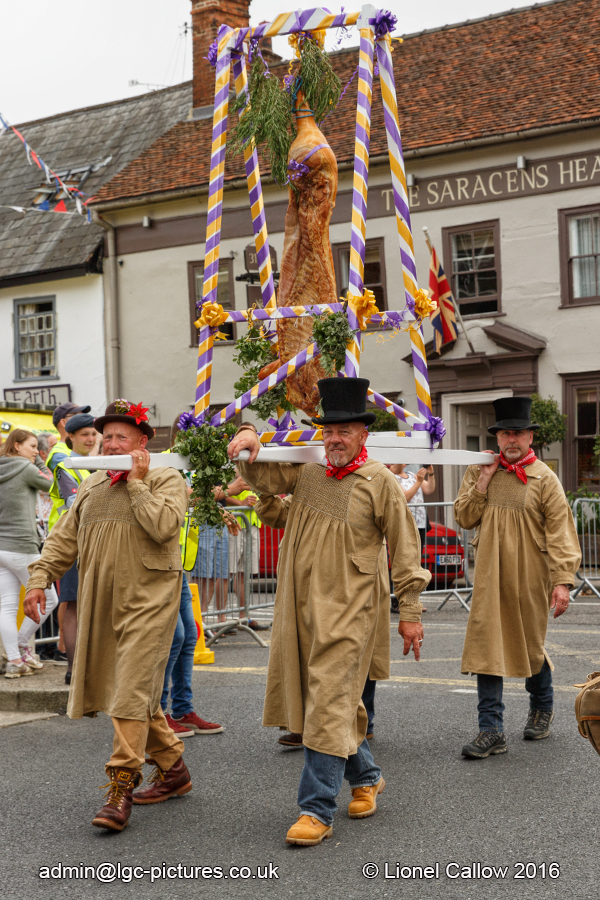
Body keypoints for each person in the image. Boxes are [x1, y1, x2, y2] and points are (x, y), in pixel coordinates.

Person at [229, 377, 430, 846]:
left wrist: (411, 611)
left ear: (363, 433)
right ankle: (366, 777)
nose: (334, 438)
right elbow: (262, 478)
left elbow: (405, 548)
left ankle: (315, 809)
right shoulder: (308, 469)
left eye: (345, 430)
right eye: (328, 430)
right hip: (301, 606)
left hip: (353, 609)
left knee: (328, 699)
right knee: (329, 700)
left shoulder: (379, 480)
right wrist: (249, 439)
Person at [24, 400, 190, 832]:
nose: (111, 442)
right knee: (132, 692)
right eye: (107, 436)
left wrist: (136, 484)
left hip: (150, 603)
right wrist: (39, 579)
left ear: (142, 442)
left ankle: (121, 787)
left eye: (122, 436)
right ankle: (173, 769)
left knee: (130, 689)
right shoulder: (93, 485)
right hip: (102, 602)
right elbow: (63, 540)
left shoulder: (166, 478)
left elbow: (164, 527)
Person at [454, 396, 581, 759]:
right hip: (490, 571)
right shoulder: (480, 471)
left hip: (531, 574)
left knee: (529, 643)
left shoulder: (545, 478)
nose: (511, 440)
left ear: (529, 437)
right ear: (497, 437)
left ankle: (542, 706)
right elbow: (463, 517)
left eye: (518, 433)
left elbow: (561, 532)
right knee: (485, 643)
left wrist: (562, 581)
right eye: (506, 433)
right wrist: (483, 481)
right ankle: (491, 730)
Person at [255, 492, 391, 749]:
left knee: (354, 650)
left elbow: (399, 533)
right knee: (310, 647)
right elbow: (278, 515)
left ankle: (361, 724)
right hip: (313, 575)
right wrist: (264, 488)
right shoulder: (310, 478)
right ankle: (308, 723)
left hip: (355, 572)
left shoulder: (374, 478)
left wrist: (410, 609)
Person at [0, 429, 59, 677]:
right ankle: (23, 646)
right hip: (23, 546)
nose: (37, 451)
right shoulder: (25, 468)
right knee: (50, 599)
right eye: (32, 446)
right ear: (16, 446)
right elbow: (50, 482)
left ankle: (14, 660)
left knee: (7, 606)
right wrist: (37, 461)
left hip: (2, 546)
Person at [49, 414, 96, 684]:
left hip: (92, 542)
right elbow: (74, 504)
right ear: (72, 438)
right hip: (72, 544)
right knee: (74, 605)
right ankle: (73, 670)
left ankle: (87, 668)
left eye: (93, 434)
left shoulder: (95, 465)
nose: (90, 439)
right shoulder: (66, 464)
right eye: (84, 435)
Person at [227, 472, 270, 631]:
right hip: (234, 523)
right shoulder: (230, 464)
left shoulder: (255, 465)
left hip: (251, 524)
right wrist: (239, 502)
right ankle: (221, 619)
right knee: (227, 573)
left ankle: (243, 616)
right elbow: (219, 492)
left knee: (244, 573)